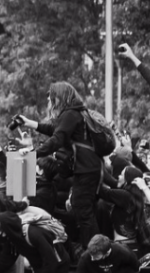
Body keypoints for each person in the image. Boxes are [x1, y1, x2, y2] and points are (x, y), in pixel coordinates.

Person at [16, 81, 103, 249]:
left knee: (83, 212)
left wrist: (34, 153)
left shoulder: (70, 114)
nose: (49, 100)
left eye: (51, 97)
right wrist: (29, 123)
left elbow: (57, 138)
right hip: (88, 168)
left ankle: (95, 251)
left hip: (86, 169)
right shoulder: (76, 114)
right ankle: (93, 250)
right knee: (83, 210)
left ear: (59, 98)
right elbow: (55, 130)